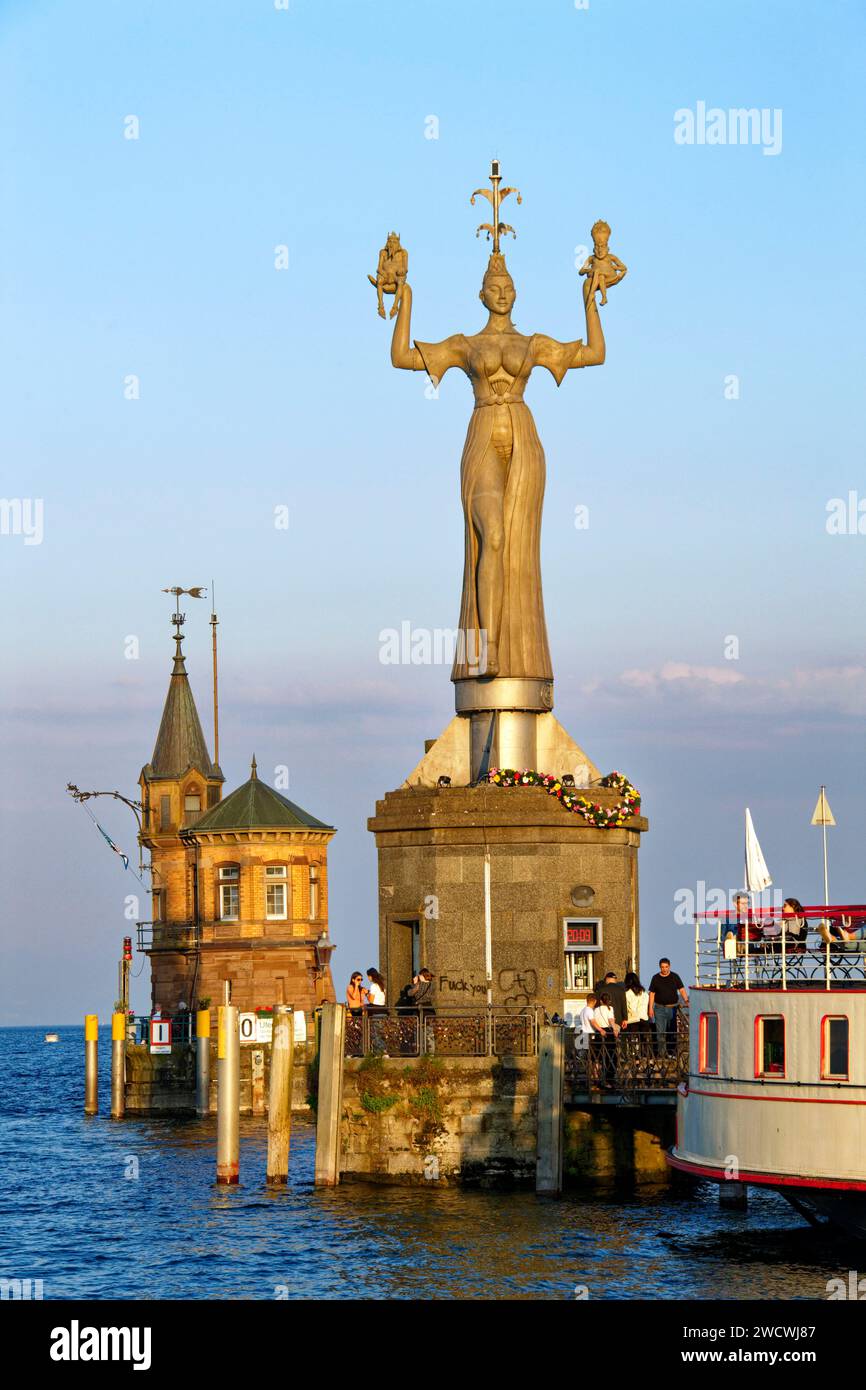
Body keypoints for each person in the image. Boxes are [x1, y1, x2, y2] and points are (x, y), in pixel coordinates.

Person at [648, 958, 688, 1057]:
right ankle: (662, 1054)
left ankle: (672, 1053)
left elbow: (682, 990)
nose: (664, 969)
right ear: (660, 967)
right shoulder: (655, 978)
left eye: (666, 967)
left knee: (672, 1031)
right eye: (662, 967)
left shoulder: (675, 976)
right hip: (659, 1008)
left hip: (672, 1008)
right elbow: (652, 994)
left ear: (669, 966)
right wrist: (650, 1008)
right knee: (660, 1033)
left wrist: (686, 1001)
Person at [623, 971, 651, 1044]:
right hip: (644, 1018)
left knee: (631, 1039)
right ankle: (644, 1054)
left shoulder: (627, 993)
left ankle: (632, 1053)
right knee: (643, 1040)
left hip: (633, 1019)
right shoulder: (644, 993)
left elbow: (630, 1007)